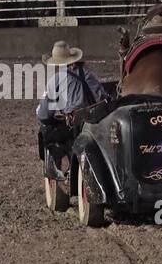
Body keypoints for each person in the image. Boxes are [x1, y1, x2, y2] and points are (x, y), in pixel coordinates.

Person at [36, 40, 109, 174]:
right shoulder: (90, 75)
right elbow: (103, 97)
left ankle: (66, 166)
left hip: (77, 127)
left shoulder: (56, 81)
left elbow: (45, 115)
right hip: (98, 122)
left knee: (48, 132)